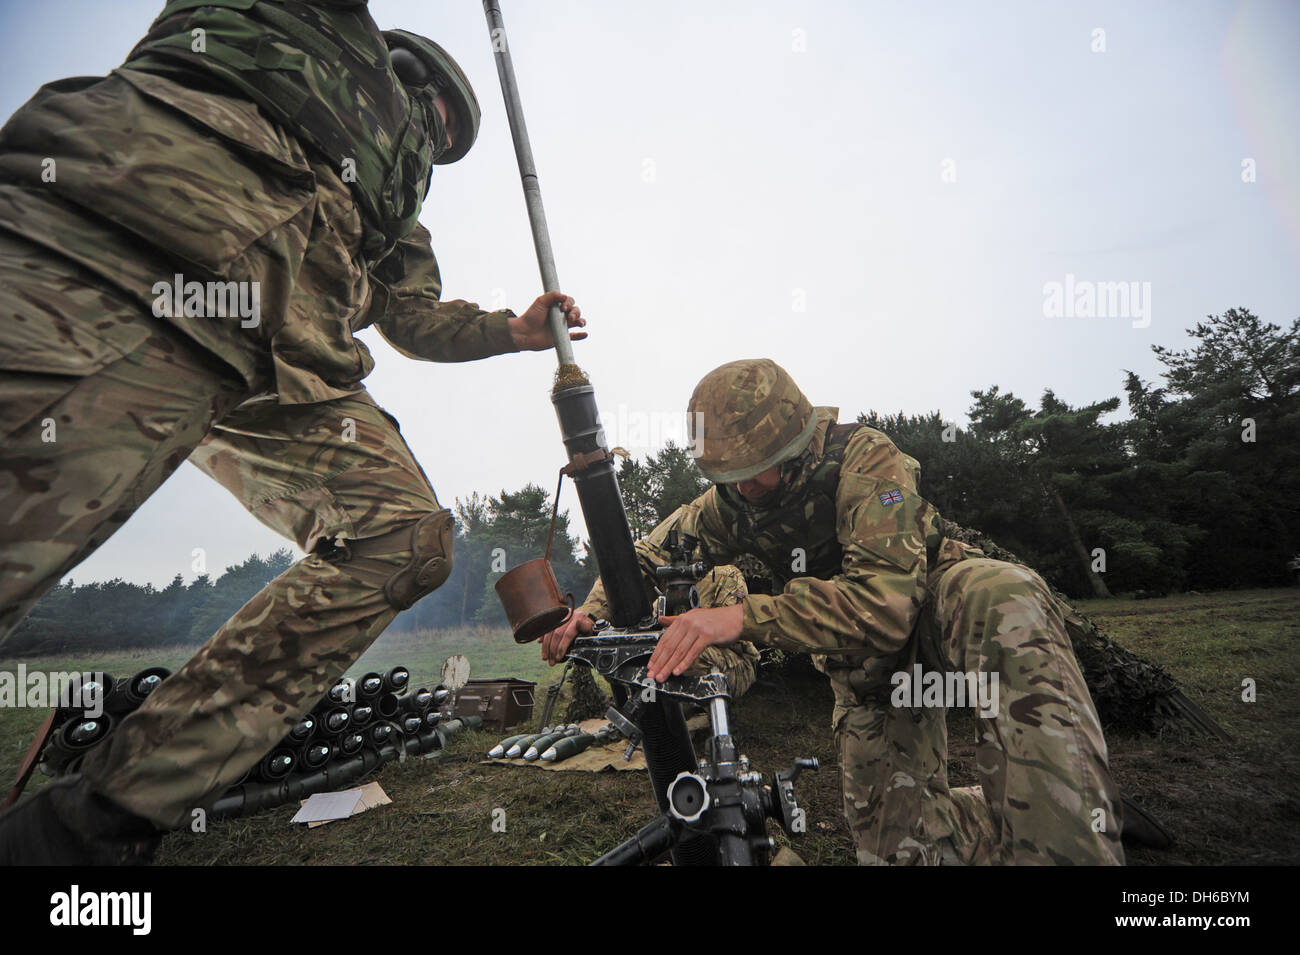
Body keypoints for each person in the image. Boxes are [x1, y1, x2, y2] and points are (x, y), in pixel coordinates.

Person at [0, 0, 583, 864]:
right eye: (431, 102)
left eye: (450, 133)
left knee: (403, 535)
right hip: (123, 240)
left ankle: (94, 821)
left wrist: (514, 329)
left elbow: (414, 321)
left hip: (286, 355)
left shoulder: (396, 212)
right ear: (394, 62)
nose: (433, 126)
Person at [543, 358, 1125, 865]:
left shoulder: (866, 462)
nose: (740, 488)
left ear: (791, 443)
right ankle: (1025, 811)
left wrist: (742, 616)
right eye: (726, 475)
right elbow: (646, 554)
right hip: (866, 670)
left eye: (751, 469)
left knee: (1001, 594)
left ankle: (1066, 829)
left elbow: (887, 605)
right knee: (906, 851)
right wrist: (588, 613)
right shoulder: (733, 501)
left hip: (935, 619)